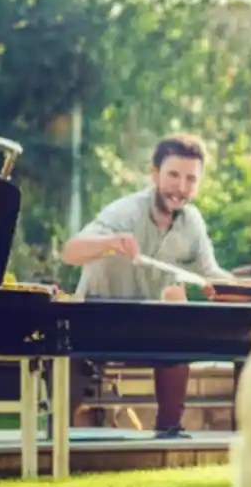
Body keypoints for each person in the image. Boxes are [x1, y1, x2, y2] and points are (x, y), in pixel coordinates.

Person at [60, 134, 234, 438]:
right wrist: (110, 242)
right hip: (98, 319)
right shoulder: (126, 212)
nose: (181, 187)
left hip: (150, 325)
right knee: (69, 353)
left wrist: (241, 288)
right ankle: (60, 432)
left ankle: (169, 430)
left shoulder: (192, 222)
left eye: (191, 179)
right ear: (154, 174)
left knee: (179, 330)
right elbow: (70, 252)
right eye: (173, 175)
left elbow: (210, 273)